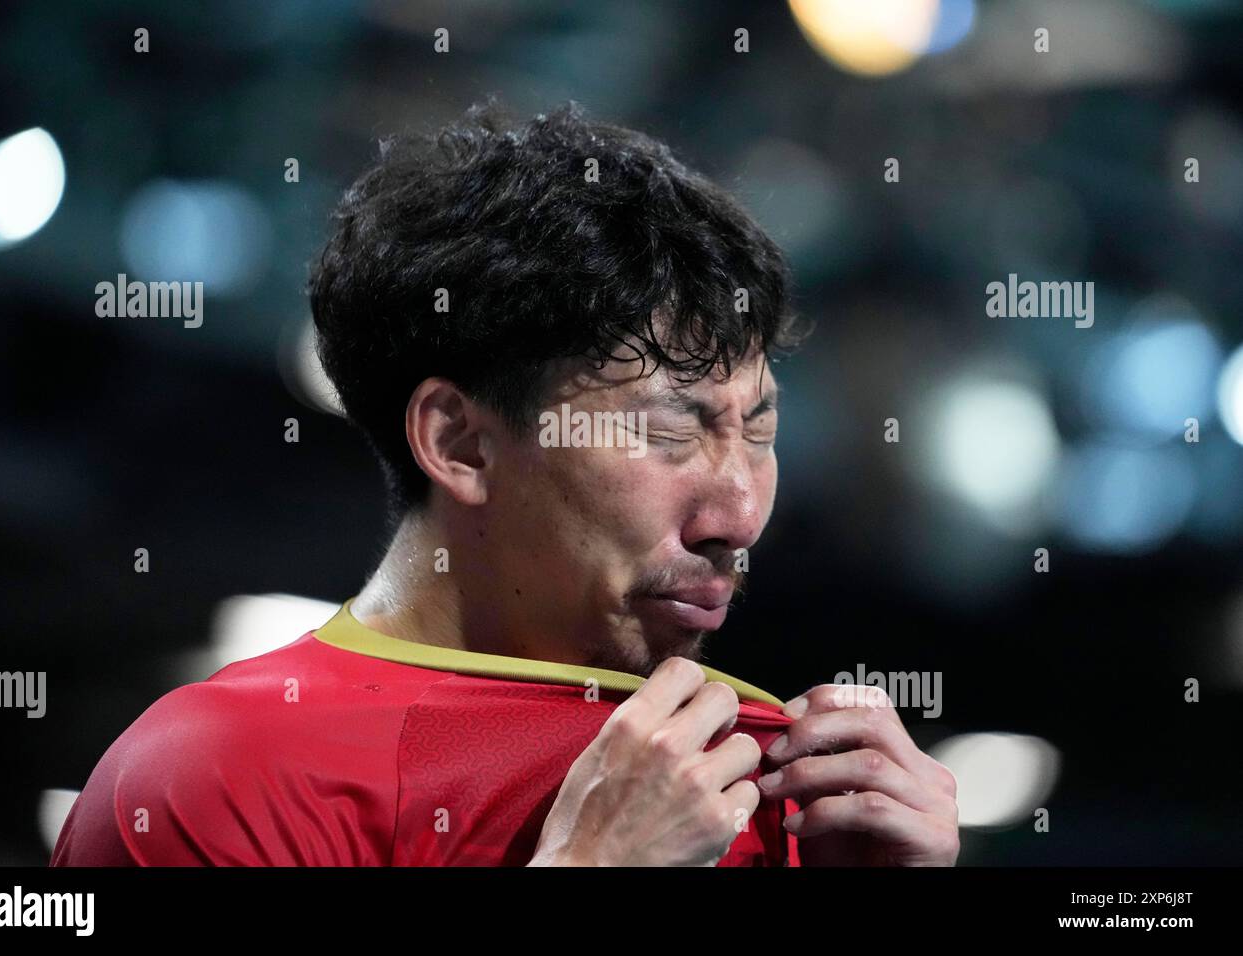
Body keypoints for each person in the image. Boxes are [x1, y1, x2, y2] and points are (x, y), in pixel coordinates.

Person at [51, 100, 958, 867]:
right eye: (667, 428)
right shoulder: (208, 780)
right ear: (460, 444)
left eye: (756, 427)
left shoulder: (785, 784)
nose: (741, 515)